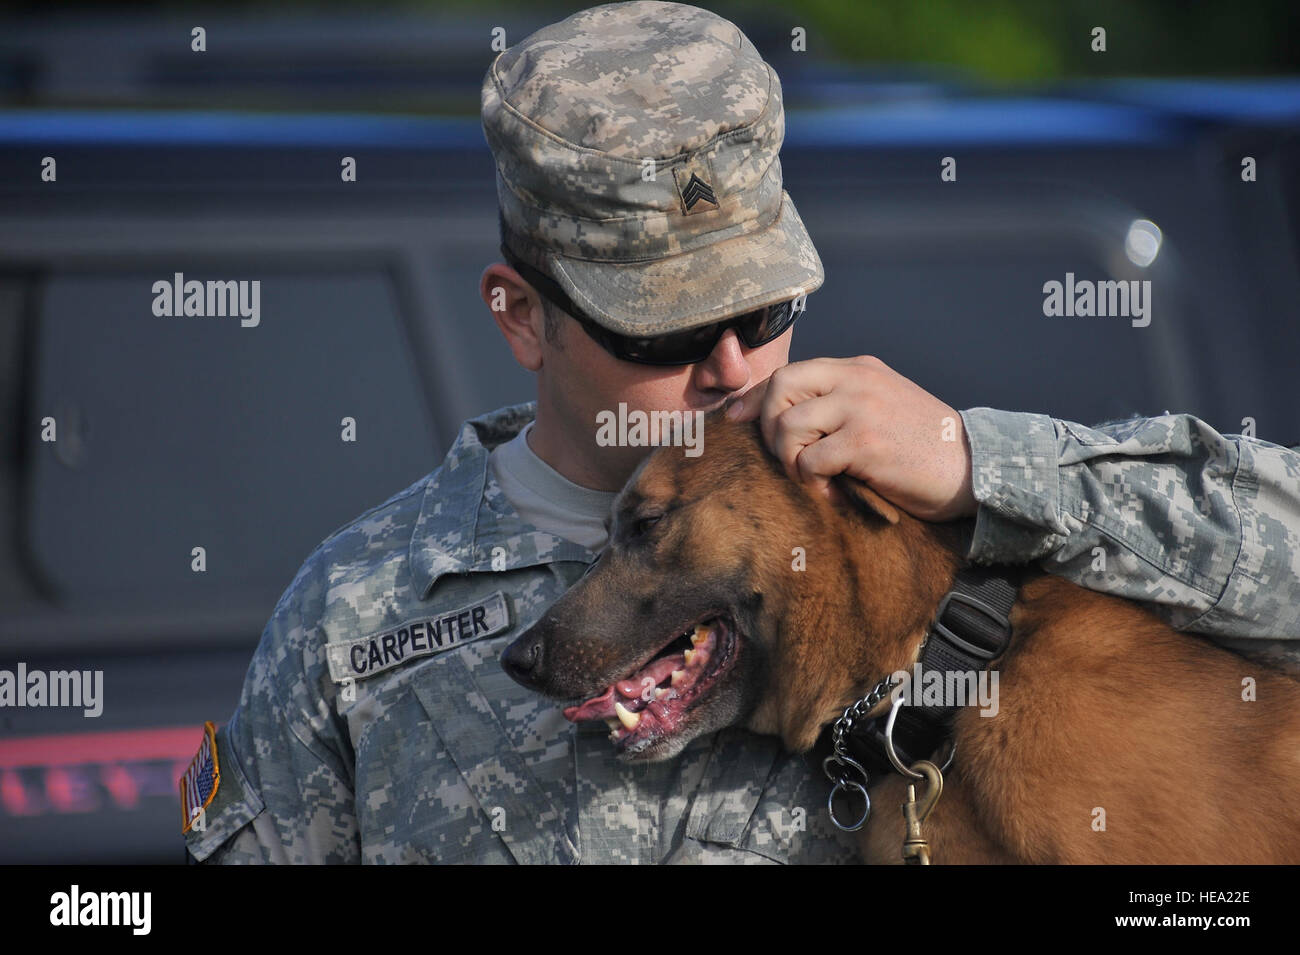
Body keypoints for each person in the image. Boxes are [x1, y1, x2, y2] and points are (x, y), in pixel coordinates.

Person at [180, 1, 1300, 865]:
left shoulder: (930, 517)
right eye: (663, 328)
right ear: (521, 316)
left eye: (761, 312)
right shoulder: (352, 618)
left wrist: (981, 462)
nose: (733, 368)